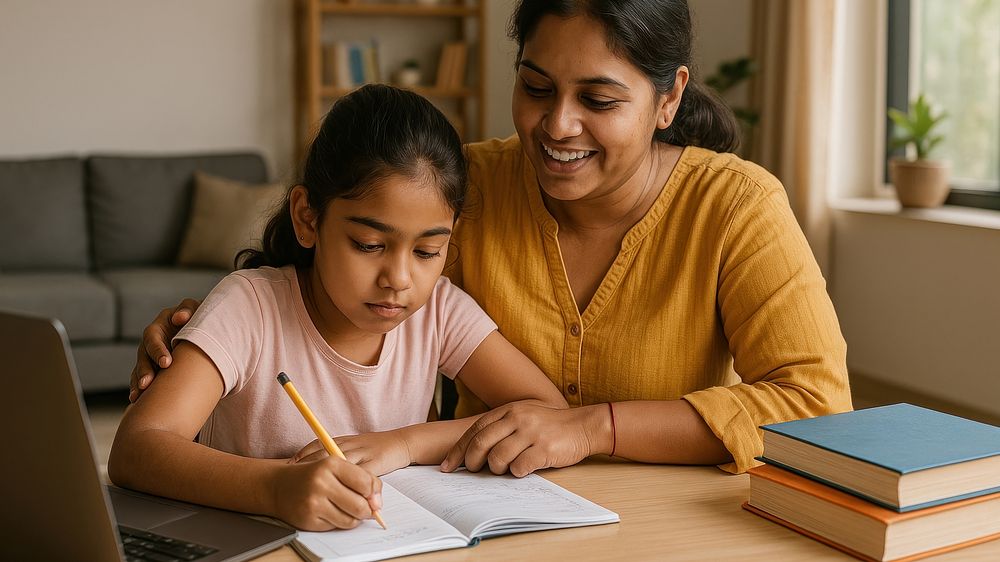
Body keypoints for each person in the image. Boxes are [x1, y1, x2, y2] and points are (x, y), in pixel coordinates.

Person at [130, 0, 852, 478]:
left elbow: (817, 407)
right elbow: (340, 257)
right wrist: (210, 332)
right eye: (536, 88)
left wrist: (594, 429)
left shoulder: (737, 206)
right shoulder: (465, 185)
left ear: (669, 99)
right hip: (489, 520)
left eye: (597, 100)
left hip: (669, 518)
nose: (556, 125)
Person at [108, 84, 568, 532]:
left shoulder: (439, 311)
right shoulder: (248, 307)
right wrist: (275, 488)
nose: (399, 280)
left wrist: (403, 444)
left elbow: (546, 411)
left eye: (427, 251)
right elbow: (136, 448)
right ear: (308, 219)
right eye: (369, 244)